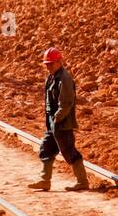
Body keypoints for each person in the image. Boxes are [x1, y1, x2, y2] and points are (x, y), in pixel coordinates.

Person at [29, 46, 90, 192]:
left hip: (62, 123)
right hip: (53, 121)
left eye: (50, 64)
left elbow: (67, 103)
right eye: (46, 64)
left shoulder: (65, 78)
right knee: (46, 148)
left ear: (58, 62)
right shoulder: (52, 78)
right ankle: (45, 180)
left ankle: (82, 181)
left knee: (69, 151)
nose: (48, 67)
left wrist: (57, 119)